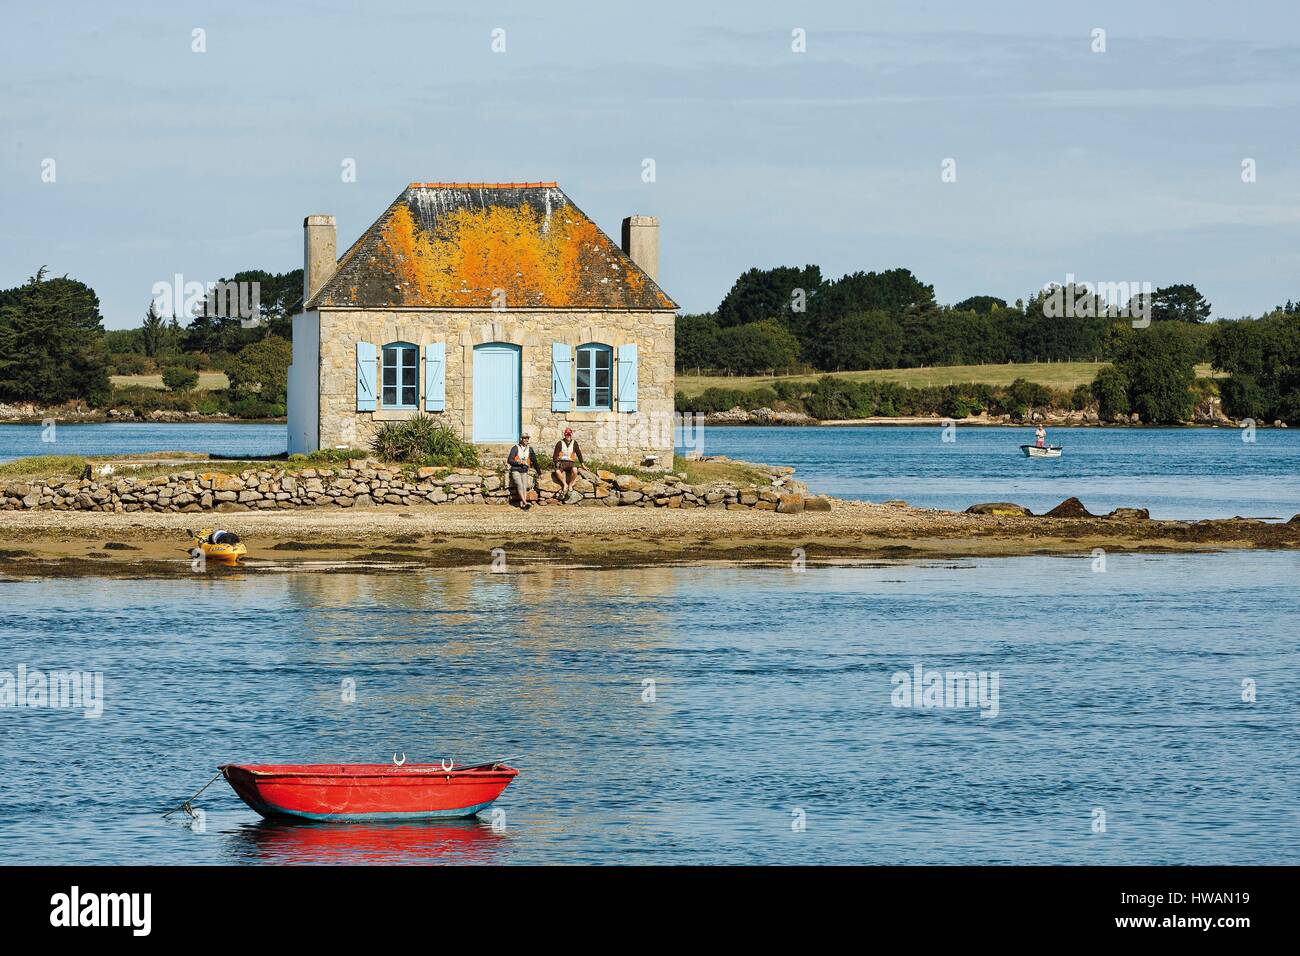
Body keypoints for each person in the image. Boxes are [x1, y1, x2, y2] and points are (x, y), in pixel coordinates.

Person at [507, 432, 540, 510]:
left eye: (527, 438)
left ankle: (523, 504)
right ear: (521, 439)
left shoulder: (530, 449)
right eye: (524, 438)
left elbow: (534, 461)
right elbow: (509, 460)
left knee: (524, 487)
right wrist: (519, 462)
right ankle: (525, 503)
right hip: (515, 470)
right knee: (520, 485)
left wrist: (539, 472)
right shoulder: (515, 448)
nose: (525, 439)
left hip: (524, 470)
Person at [552, 427, 585, 502]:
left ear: (571, 435)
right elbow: (555, 455)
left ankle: (570, 484)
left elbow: (579, 453)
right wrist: (556, 462)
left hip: (571, 462)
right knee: (557, 471)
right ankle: (565, 484)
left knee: (575, 470)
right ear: (564, 435)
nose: (568, 436)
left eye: (569, 434)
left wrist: (582, 464)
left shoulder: (574, 443)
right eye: (567, 434)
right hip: (562, 462)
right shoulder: (560, 443)